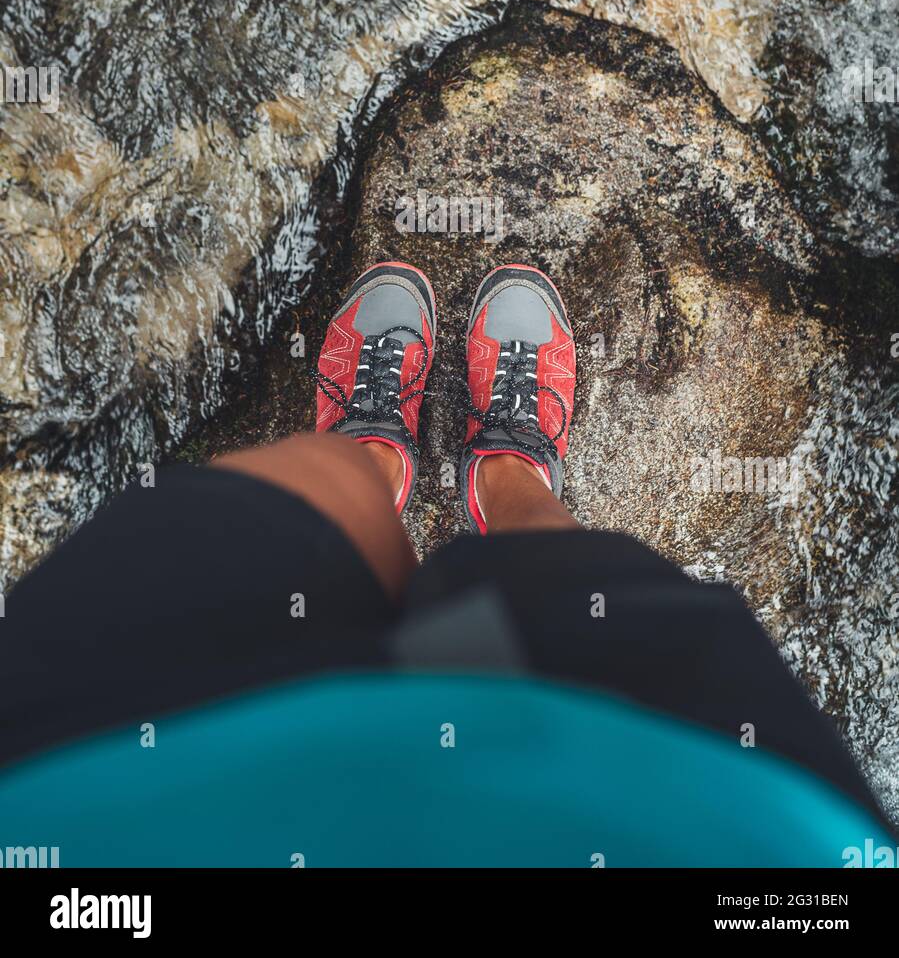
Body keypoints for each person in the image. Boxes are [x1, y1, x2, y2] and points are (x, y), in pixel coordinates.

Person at [0, 262, 892, 867]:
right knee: (566, 577)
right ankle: (506, 476)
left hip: (87, 796)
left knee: (288, 501)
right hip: (704, 817)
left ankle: (373, 455)